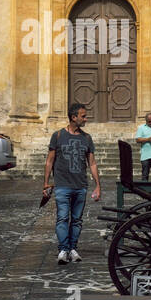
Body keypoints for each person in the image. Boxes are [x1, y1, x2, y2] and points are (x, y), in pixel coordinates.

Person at [42, 101, 100, 264]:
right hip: (62, 186)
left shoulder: (87, 138)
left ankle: (72, 248)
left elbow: (92, 163)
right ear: (73, 117)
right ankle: (63, 249)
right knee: (62, 218)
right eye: (83, 116)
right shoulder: (58, 135)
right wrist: (46, 183)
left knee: (77, 220)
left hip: (80, 186)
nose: (86, 119)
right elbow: (49, 161)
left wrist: (98, 185)